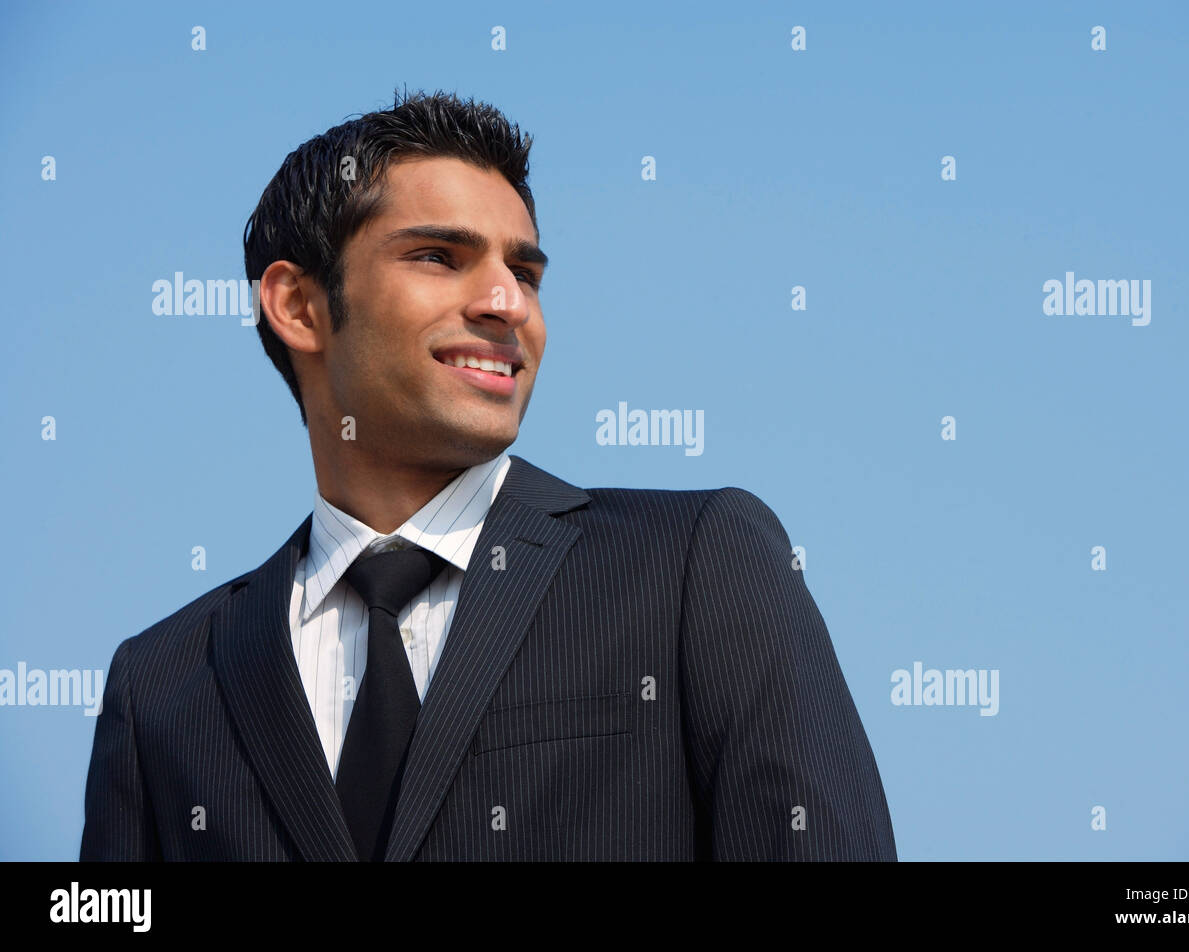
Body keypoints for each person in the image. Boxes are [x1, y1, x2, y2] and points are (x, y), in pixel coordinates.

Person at [80, 90, 897, 861]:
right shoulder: (160, 685)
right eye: (439, 255)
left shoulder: (694, 566)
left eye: (527, 273)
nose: (508, 303)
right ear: (297, 306)